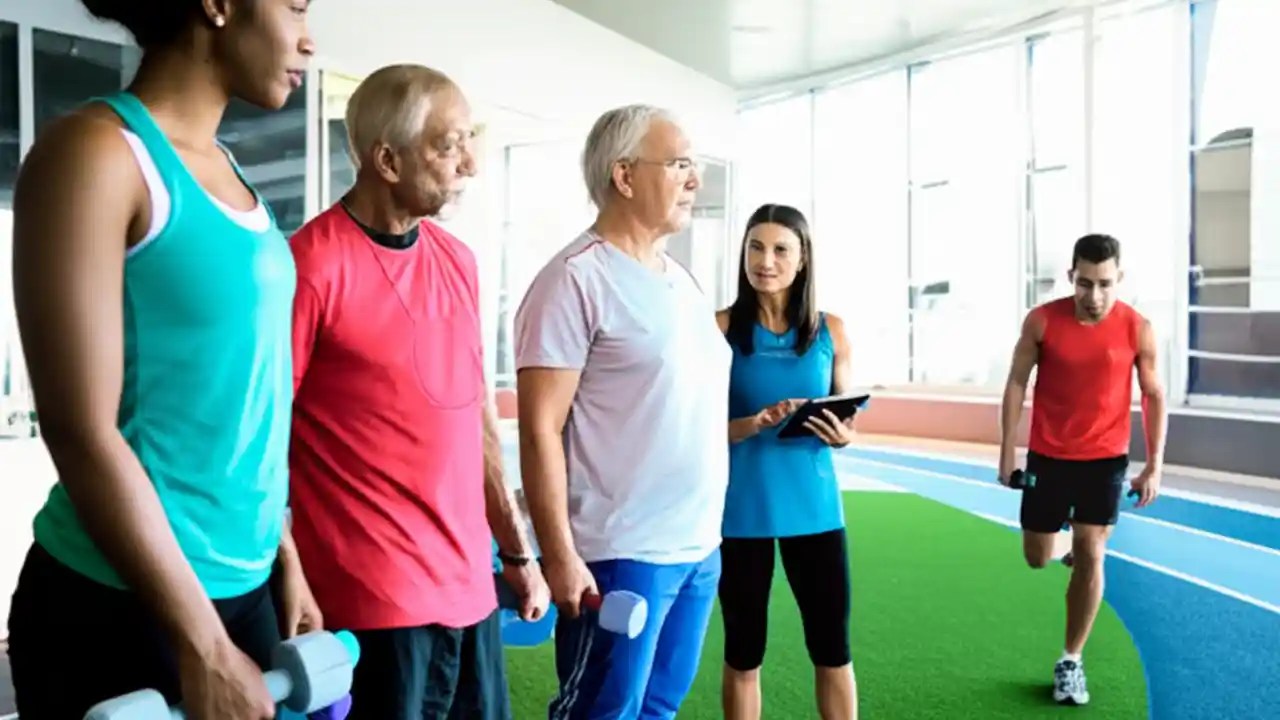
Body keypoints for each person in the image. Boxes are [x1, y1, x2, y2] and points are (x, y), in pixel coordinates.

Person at [5, 2, 319, 719]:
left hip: (244, 590)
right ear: (218, 5)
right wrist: (203, 645)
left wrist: (284, 554)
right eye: (297, 6)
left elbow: (241, 398)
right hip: (124, 604)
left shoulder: (226, 167)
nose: (307, 40)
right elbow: (79, 429)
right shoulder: (95, 153)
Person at [286, 63, 549, 720]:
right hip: (375, 600)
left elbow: (476, 420)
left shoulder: (457, 261)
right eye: (449, 145)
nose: (470, 165)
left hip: (470, 588)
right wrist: (286, 570)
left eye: (468, 142)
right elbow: (260, 437)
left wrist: (515, 550)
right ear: (387, 160)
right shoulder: (311, 265)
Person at [514, 104, 729, 719]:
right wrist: (558, 555)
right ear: (625, 175)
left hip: (696, 546)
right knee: (601, 712)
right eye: (679, 164)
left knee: (659, 708)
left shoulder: (680, 280)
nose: (695, 180)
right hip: (621, 550)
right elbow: (540, 429)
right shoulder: (573, 280)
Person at [998, 233, 1167, 706]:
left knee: (1093, 551)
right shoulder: (1042, 321)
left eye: (1105, 284)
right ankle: (1071, 539)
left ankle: (1070, 660)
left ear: (1119, 279)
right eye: (1085, 283)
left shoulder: (1137, 328)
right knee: (1036, 556)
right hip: (1049, 456)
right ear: (1071, 276)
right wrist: (1007, 452)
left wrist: (1154, 465)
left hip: (1104, 459)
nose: (1094, 296)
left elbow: (1153, 394)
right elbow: (1016, 382)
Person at [717, 203, 859, 720]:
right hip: (741, 512)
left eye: (781, 250)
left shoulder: (831, 331)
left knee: (832, 648)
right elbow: (695, 428)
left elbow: (846, 416)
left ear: (803, 260)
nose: (766, 261)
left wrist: (842, 435)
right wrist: (752, 423)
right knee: (743, 651)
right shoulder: (719, 329)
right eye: (755, 247)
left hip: (815, 509)